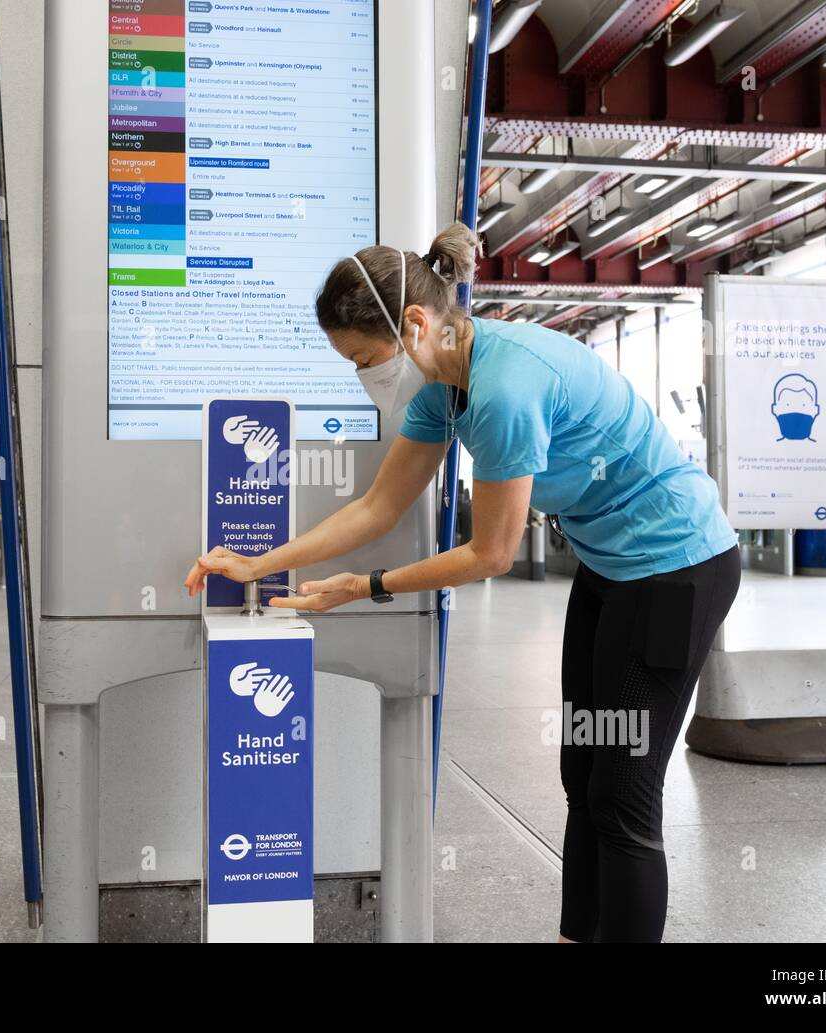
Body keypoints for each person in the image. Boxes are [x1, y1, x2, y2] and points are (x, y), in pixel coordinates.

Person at [184, 223, 741, 943]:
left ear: (414, 324)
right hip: (611, 567)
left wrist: (367, 585)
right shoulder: (441, 390)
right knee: (583, 773)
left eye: (363, 358)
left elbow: (492, 552)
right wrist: (262, 563)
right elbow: (377, 506)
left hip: (677, 569)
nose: (363, 375)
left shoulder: (505, 390)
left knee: (623, 794)